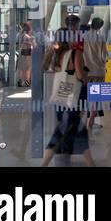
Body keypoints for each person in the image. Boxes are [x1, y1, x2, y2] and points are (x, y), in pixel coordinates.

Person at [40, 23, 94, 167]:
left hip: (59, 97)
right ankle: (43, 164)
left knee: (79, 129)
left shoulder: (54, 53)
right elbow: (80, 74)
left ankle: (90, 163)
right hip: (73, 98)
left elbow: (46, 67)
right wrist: (87, 80)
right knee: (61, 131)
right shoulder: (75, 53)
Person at [82, 17, 109, 131]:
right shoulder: (100, 38)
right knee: (96, 98)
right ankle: (91, 123)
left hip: (85, 72)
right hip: (98, 71)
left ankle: (82, 124)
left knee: (84, 98)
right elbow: (104, 57)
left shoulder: (83, 37)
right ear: (100, 27)